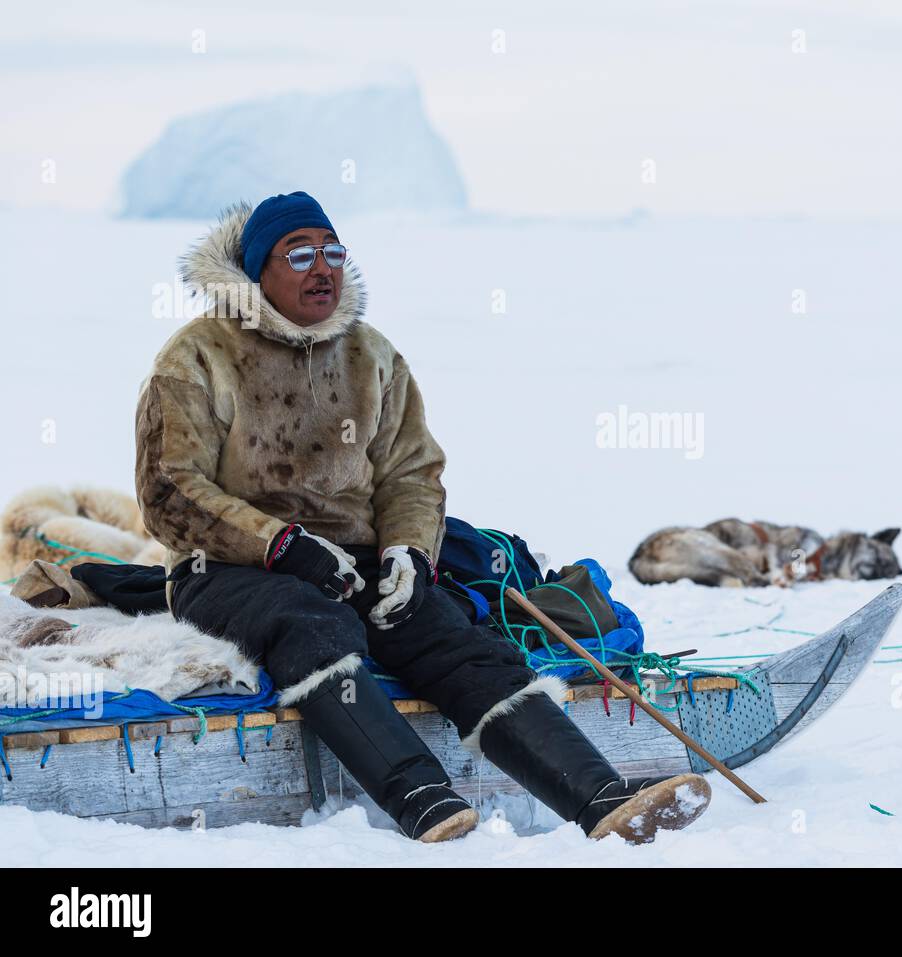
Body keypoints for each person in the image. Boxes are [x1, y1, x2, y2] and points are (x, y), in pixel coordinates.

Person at [134, 191, 711, 843]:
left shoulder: (371, 354)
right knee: (309, 622)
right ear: (257, 269)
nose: (322, 267)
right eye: (300, 254)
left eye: (332, 251)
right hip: (227, 569)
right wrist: (280, 545)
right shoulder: (196, 356)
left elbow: (411, 471)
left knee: (448, 630)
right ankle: (423, 798)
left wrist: (410, 550)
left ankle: (601, 796)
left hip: (355, 560)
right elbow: (169, 491)